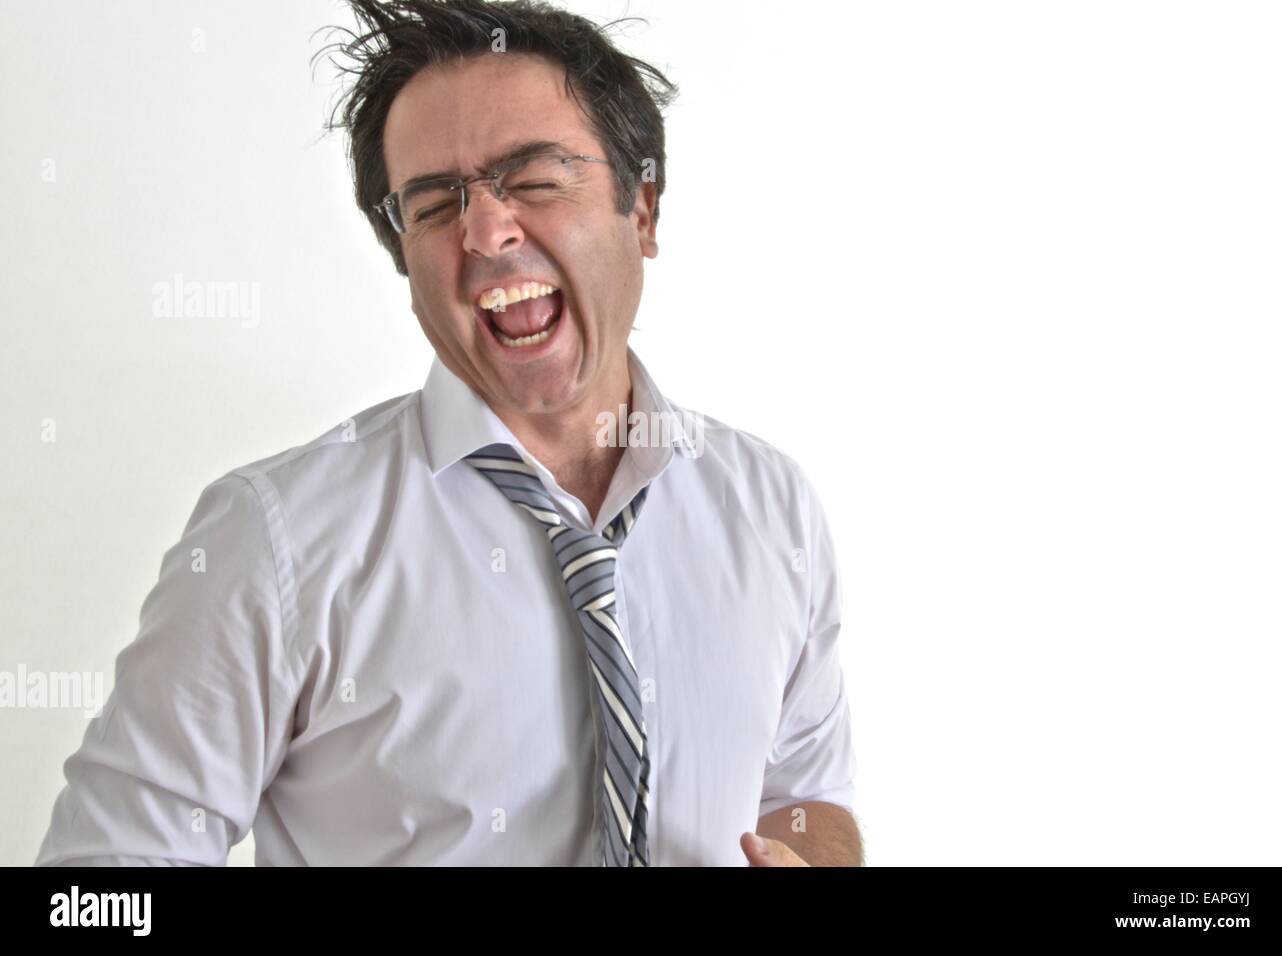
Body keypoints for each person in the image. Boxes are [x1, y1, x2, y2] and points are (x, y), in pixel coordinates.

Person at [34, 0, 860, 867]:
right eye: (433, 205)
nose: (485, 231)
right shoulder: (272, 539)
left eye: (534, 180)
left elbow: (805, 794)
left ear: (642, 210)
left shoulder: (772, 510)